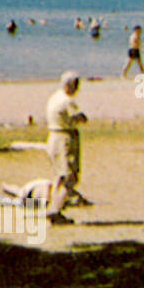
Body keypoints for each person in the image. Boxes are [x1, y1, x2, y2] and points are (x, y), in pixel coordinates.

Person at [46, 71, 89, 207]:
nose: (77, 88)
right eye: (75, 85)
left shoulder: (55, 97)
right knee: (69, 177)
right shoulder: (67, 101)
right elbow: (79, 117)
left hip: (53, 136)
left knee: (59, 175)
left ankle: (54, 204)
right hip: (64, 137)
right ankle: (56, 209)